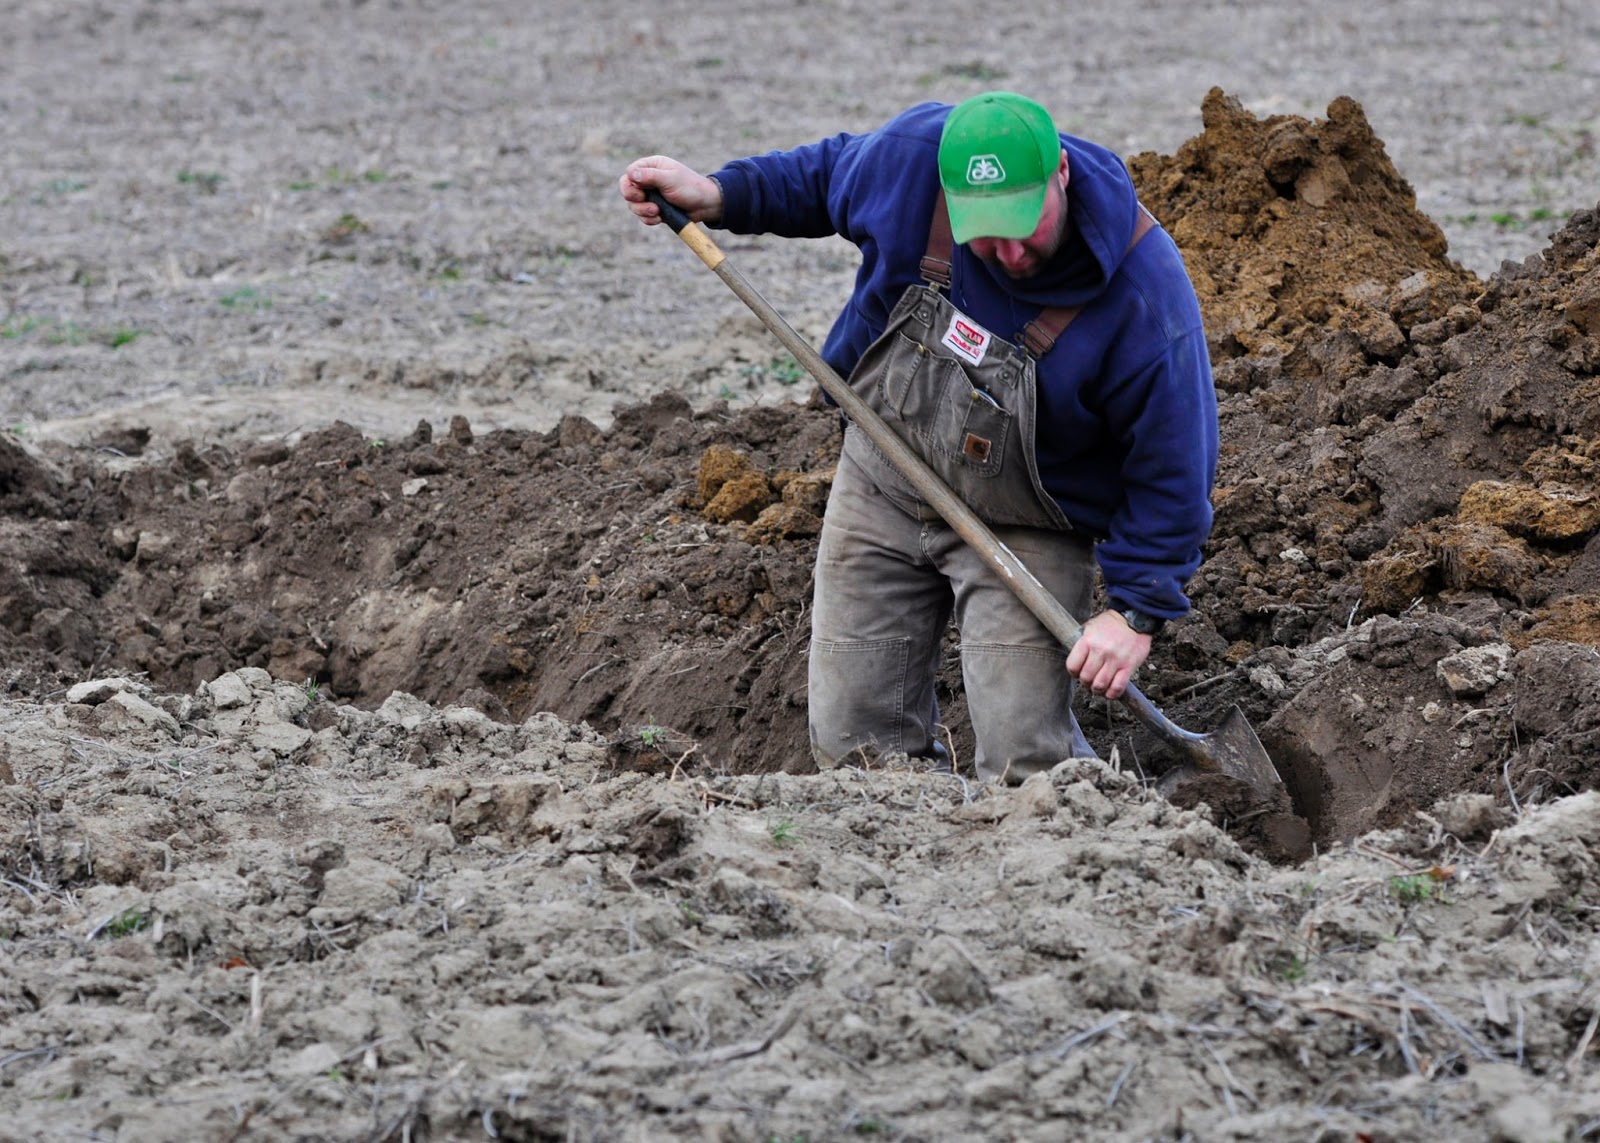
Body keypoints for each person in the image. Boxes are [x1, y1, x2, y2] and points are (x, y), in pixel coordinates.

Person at [620, 92, 1218, 784]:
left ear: (1061, 174)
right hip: (885, 471)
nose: (1011, 250)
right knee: (855, 745)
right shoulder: (909, 164)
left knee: (1027, 761)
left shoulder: (1146, 293)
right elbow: (825, 177)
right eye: (987, 232)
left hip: (1030, 522)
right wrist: (718, 193)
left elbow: (1175, 465)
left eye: (1026, 223)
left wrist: (1135, 612)